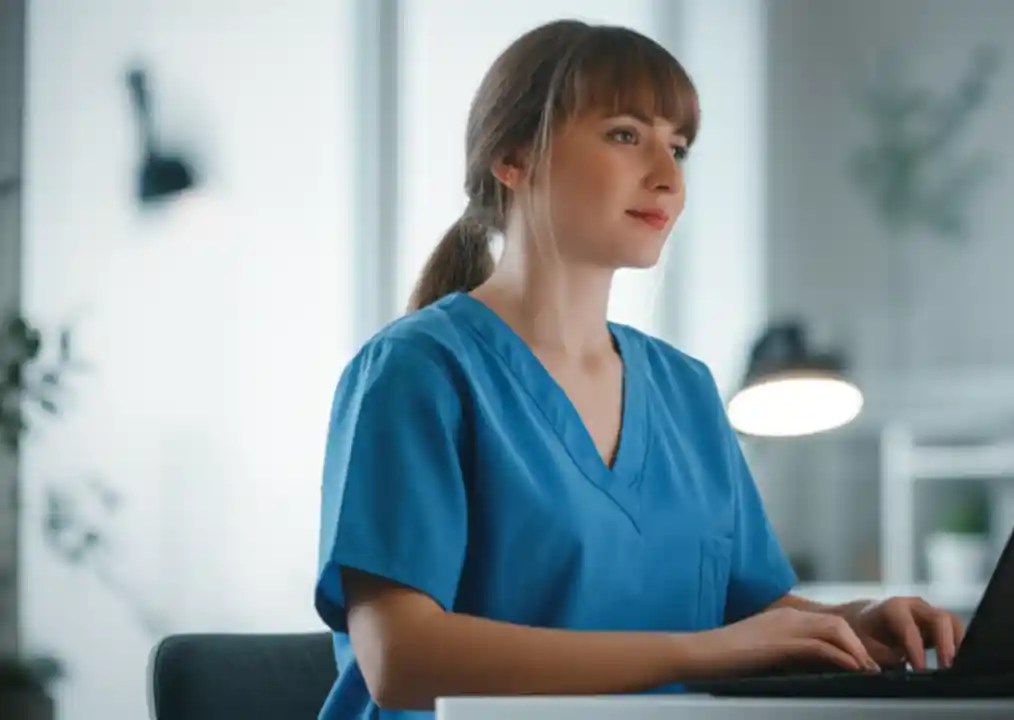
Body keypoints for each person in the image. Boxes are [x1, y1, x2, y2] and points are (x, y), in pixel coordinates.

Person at [314, 19, 965, 718]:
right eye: (626, 135)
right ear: (512, 157)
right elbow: (399, 659)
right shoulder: (418, 372)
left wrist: (851, 625)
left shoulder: (684, 390)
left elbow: (752, 611)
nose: (668, 177)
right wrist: (695, 652)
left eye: (678, 148)